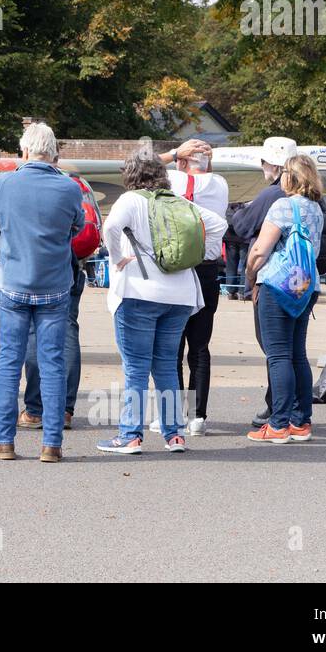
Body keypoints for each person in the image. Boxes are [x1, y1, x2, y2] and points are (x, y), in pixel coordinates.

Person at [97, 147, 227, 454]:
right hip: (181, 293)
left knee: (136, 367)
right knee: (168, 364)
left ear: (130, 176)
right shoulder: (178, 201)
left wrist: (118, 259)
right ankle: (174, 435)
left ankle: (130, 434)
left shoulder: (131, 199)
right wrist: (197, 255)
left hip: (140, 292)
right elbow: (219, 226)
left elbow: (111, 227)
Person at [0, 123, 84, 461]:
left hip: (13, 282)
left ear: (24, 150)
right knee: (53, 364)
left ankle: (4, 442)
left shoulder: (4, 182)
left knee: (8, 362)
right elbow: (78, 226)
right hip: (54, 285)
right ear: (54, 152)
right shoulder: (69, 188)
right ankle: (52, 444)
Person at [243, 155, 326, 443]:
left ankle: (277, 425)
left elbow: (259, 251)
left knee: (277, 355)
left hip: (278, 282)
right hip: (306, 282)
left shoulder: (283, 205)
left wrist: (251, 276)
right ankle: (301, 421)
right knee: (297, 354)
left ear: (290, 177)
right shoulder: (316, 208)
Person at [20, 168, 99, 433]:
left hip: (35, 266)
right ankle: (64, 409)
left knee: (33, 332)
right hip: (72, 264)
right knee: (67, 332)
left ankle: (35, 409)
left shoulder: (22, 183)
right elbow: (84, 224)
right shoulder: (75, 184)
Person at [229, 136, 298, 427]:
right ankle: (296, 409)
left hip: (270, 279)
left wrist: (236, 210)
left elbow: (243, 227)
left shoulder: (272, 194)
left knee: (275, 349)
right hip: (300, 280)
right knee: (294, 349)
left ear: (269, 164)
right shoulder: (308, 195)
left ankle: (278, 409)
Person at [168, 148, 228, 435]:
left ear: (182, 163)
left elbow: (140, 166)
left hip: (179, 268)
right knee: (200, 346)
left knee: (173, 345)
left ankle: (175, 412)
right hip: (208, 268)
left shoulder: (173, 182)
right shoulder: (221, 184)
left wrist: (174, 153)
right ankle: (198, 416)